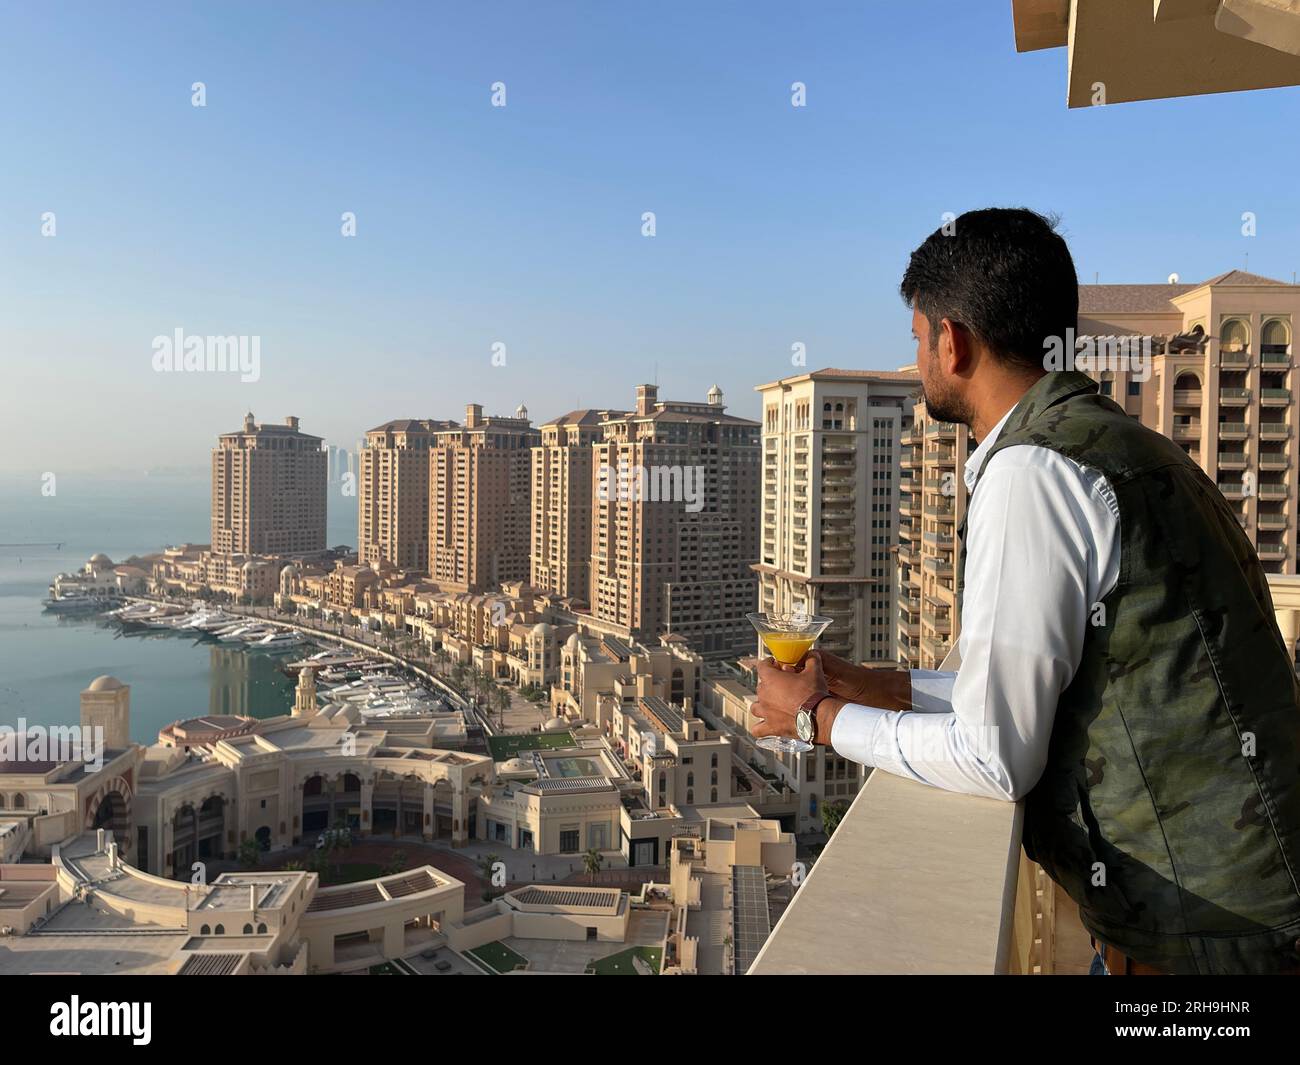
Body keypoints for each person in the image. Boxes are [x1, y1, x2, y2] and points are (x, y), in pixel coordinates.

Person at [753, 207, 1300, 975]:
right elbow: (1050, 683)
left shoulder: (1031, 472)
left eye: (918, 338)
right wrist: (878, 685)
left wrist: (815, 717)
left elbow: (993, 755)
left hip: (1211, 939)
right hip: (1236, 909)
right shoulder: (1119, 443)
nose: (918, 359)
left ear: (953, 341)